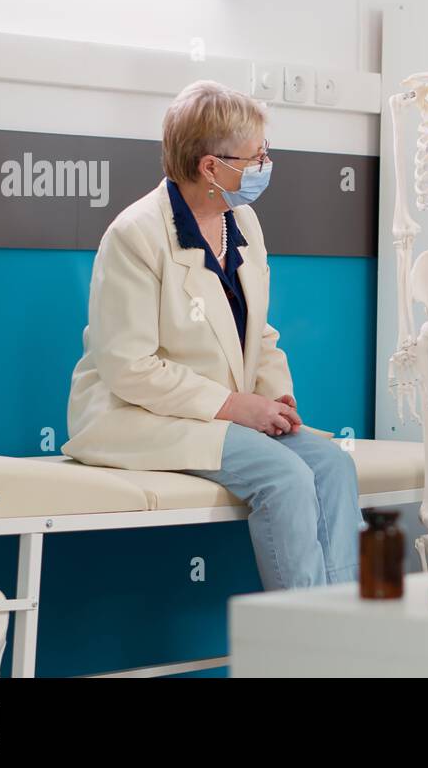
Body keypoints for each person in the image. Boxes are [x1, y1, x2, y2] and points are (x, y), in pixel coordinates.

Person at [63, 80, 359, 591]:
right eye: (256, 155)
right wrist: (235, 406)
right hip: (139, 416)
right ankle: (302, 644)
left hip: (225, 416)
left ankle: (341, 635)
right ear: (211, 166)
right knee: (284, 477)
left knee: (332, 466)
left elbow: (258, 332)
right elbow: (128, 366)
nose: (266, 164)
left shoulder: (242, 221)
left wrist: (275, 400)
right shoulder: (135, 234)